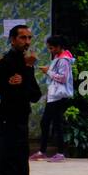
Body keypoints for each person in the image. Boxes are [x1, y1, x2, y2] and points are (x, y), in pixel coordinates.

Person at [0, 24, 44, 175]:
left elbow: (34, 94)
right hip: (7, 121)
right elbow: (10, 93)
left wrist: (26, 73)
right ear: (13, 40)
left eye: (29, 38)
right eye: (23, 38)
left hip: (22, 121)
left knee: (22, 170)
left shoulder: (26, 64)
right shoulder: (4, 64)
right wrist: (24, 73)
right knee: (8, 169)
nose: (27, 42)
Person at [32, 35, 73, 163]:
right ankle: (45, 151)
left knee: (53, 123)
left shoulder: (64, 60)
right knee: (50, 123)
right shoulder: (58, 58)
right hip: (54, 95)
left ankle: (57, 153)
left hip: (58, 96)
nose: (50, 50)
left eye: (52, 48)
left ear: (59, 47)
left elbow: (63, 78)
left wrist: (48, 71)